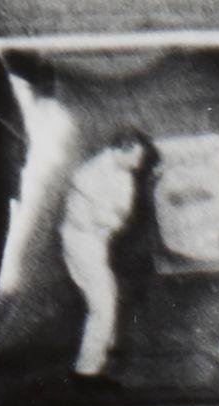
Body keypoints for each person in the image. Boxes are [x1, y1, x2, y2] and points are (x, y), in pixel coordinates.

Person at [59, 127, 155, 382]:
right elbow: (104, 217)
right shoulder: (90, 173)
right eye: (136, 156)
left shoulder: (124, 174)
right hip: (81, 241)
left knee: (107, 297)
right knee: (103, 306)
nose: (139, 162)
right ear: (120, 149)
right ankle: (86, 372)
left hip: (95, 241)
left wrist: (113, 218)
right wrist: (111, 218)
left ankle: (106, 352)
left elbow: (122, 213)